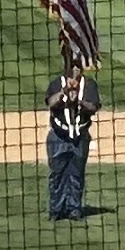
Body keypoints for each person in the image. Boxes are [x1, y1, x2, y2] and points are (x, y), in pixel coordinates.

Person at [45, 63, 99, 221]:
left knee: (76, 174)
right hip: (58, 136)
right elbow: (50, 102)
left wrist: (79, 102)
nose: (75, 70)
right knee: (57, 174)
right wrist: (64, 92)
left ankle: (74, 209)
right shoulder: (57, 83)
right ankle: (56, 210)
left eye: (78, 66)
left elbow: (94, 107)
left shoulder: (89, 85)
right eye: (72, 66)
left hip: (80, 136)